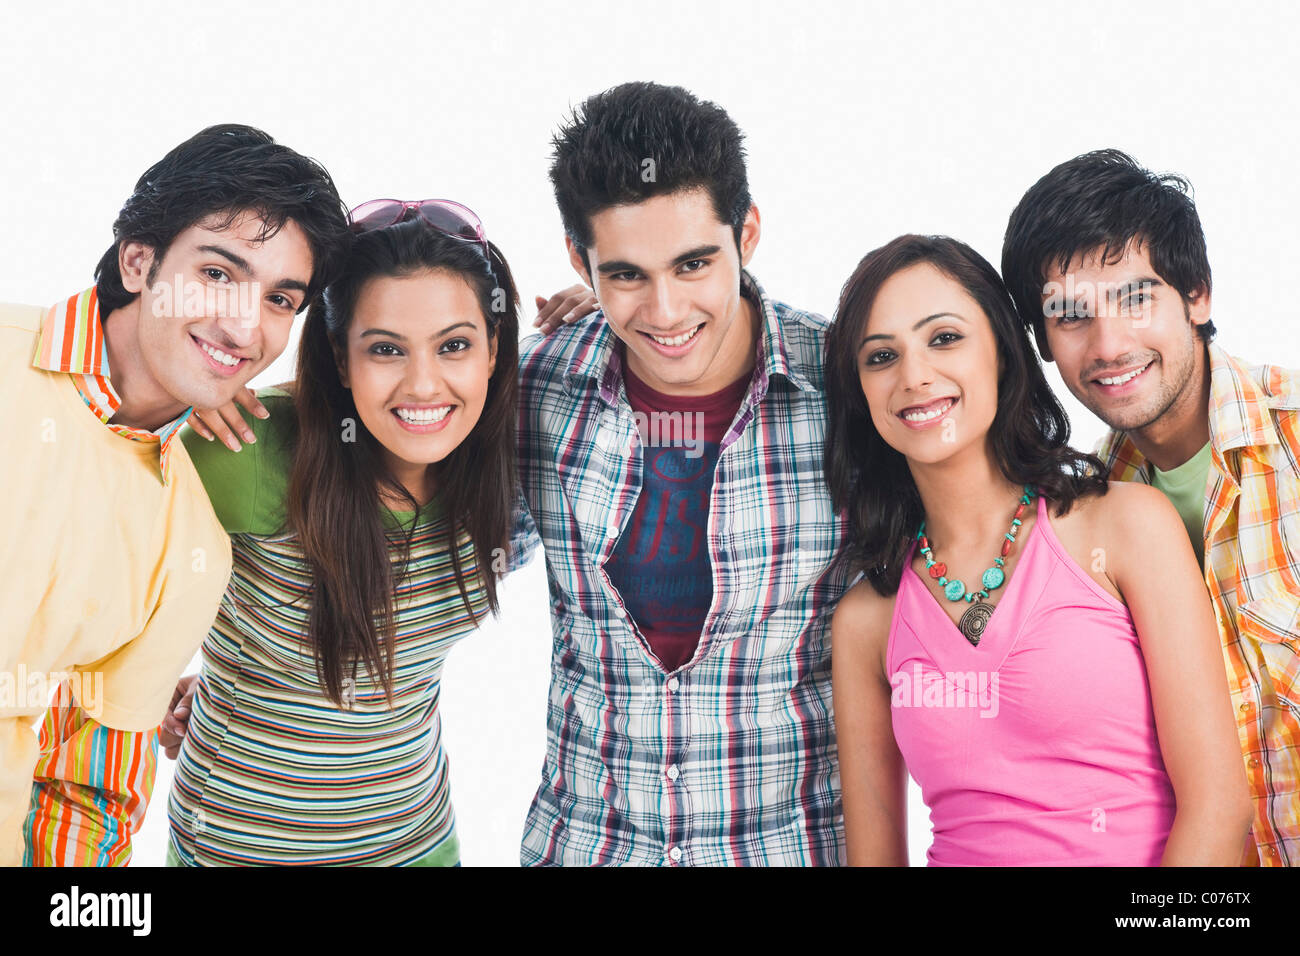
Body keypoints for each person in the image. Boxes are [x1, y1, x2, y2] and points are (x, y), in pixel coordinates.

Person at [825, 234, 1251, 866]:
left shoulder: (1125, 526)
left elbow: (1219, 807)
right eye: (881, 356)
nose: (914, 376)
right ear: (860, 391)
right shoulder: (865, 622)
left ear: (1003, 353)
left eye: (944, 338)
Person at [510, 81, 853, 866]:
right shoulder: (535, 390)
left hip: (790, 848)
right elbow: (422, 558)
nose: (665, 311)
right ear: (579, 262)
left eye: (694, 264)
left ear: (749, 234)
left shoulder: (851, 388)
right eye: (626, 275)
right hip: (584, 847)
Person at [7, 124, 350, 866]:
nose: (245, 325)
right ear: (139, 260)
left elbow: (87, 794)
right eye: (219, 274)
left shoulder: (193, 542)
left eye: (281, 298)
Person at [155, 201, 520, 866]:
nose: (423, 384)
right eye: (385, 349)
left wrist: (598, 315)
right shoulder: (248, 452)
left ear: (493, 350)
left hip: (417, 846)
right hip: (235, 852)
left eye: (455, 345)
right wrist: (142, 684)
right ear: (339, 357)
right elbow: (92, 543)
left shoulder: (509, 473)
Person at [1001, 150, 1300, 866]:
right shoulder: (1082, 519)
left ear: (1197, 295)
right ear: (1041, 341)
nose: (1109, 345)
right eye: (1070, 317)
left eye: (1136, 298)